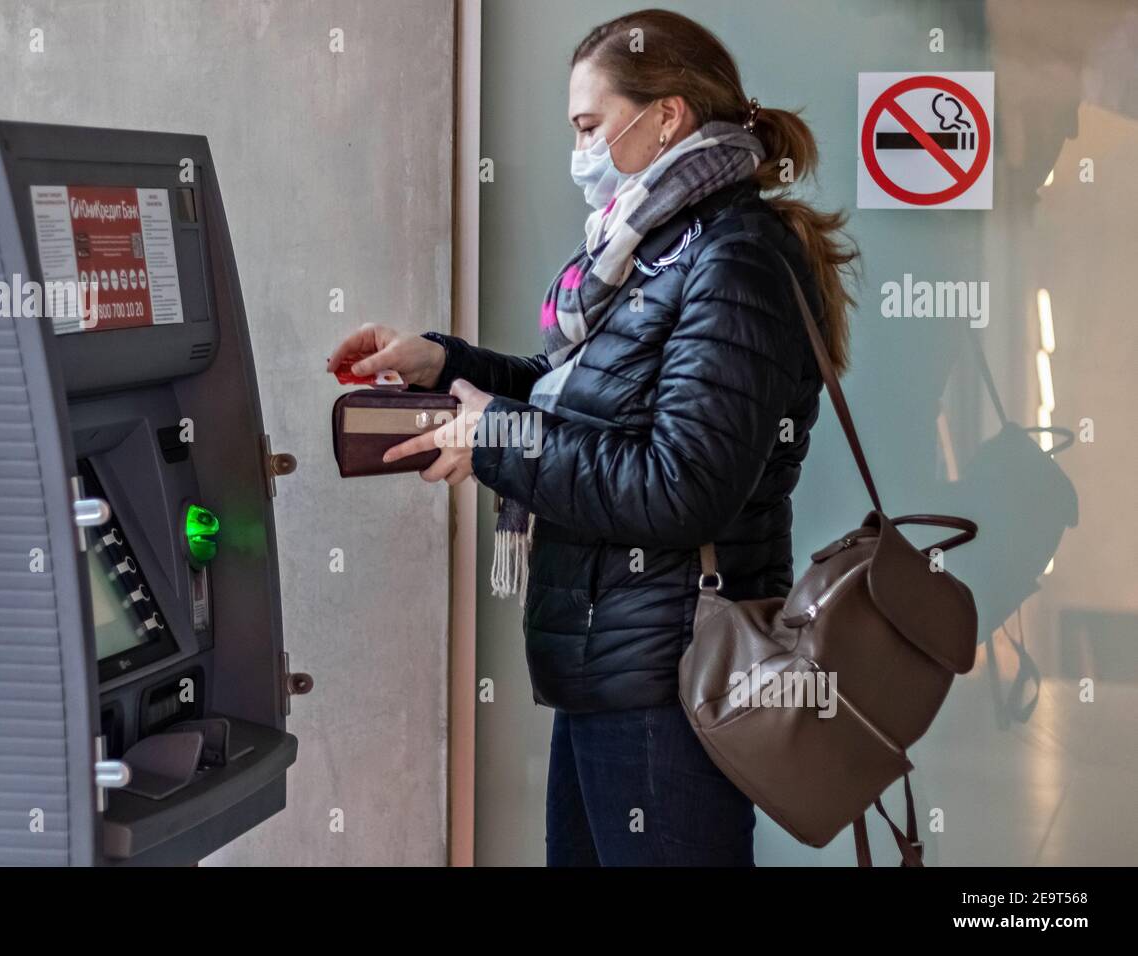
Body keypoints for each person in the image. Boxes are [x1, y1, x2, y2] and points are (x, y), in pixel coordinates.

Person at [326, 8, 857, 866]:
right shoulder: (656, 249)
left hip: (673, 679)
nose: (578, 151)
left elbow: (681, 485)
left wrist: (496, 438)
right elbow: (582, 402)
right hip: (615, 667)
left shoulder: (733, 259)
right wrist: (443, 364)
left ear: (668, 115)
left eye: (589, 125)